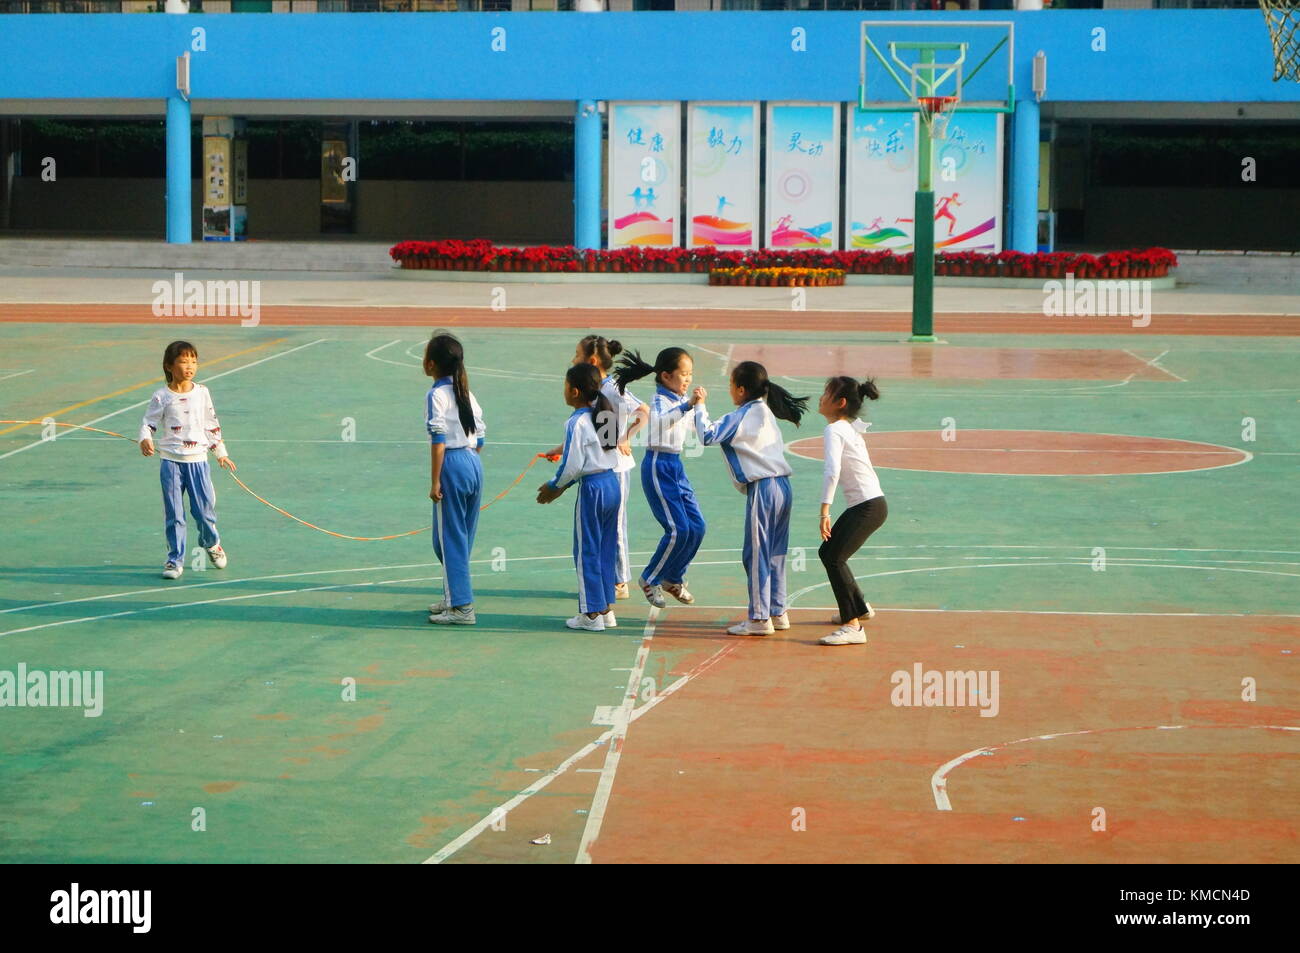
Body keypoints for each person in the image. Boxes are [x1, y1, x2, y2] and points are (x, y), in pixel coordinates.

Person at [696, 361, 807, 636]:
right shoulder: (766, 412)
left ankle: (758, 618)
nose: (730, 390)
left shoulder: (743, 414)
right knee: (776, 553)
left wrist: (699, 406)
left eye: (731, 385)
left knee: (756, 554)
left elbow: (708, 435)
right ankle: (777, 611)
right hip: (783, 487)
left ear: (741, 389)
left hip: (764, 489)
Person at [546, 335, 649, 601]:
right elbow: (592, 431)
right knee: (604, 530)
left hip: (614, 468)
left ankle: (619, 580)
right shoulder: (595, 393)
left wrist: (626, 438)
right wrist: (561, 449)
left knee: (613, 527)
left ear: (591, 361)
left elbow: (644, 411)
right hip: (602, 465)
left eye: (576, 354)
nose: (573, 359)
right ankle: (606, 586)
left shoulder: (612, 388)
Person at [612, 347, 706, 609]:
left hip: (676, 466)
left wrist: (703, 412)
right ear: (666, 376)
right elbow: (659, 424)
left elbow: (699, 430)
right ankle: (649, 578)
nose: (687, 379)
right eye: (683, 374)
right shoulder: (660, 400)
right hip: (658, 465)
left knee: (697, 527)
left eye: (690, 374)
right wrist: (688, 406)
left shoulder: (682, 399)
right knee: (677, 529)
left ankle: (673, 578)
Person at [138, 340, 235, 580]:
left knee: (203, 511)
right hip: (170, 462)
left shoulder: (202, 392)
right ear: (169, 366)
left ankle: (211, 543)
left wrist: (220, 453)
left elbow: (211, 425)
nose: (189, 366)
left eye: (193, 361)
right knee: (174, 514)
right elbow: (148, 423)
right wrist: (145, 438)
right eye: (183, 361)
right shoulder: (161, 396)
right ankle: (174, 560)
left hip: (198, 462)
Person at [537, 363, 622, 631]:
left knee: (586, 550)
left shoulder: (576, 422)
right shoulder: (606, 415)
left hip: (593, 489)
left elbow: (573, 465)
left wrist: (555, 487)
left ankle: (591, 614)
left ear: (574, 391)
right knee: (606, 548)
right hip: (612, 483)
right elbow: (604, 454)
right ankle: (606, 607)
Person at [817, 376, 887, 646]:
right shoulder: (849, 428)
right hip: (873, 504)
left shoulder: (835, 430)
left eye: (826, 394)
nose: (821, 398)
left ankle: (853, 626)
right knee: (830, 553)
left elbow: (832, 471)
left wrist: (825, 511)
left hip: (867, 506)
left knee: (833, 557)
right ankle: (860, 608)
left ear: (840, 403)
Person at [424, 333, 485, 626]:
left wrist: (435, 481)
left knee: (449, 540)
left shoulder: (436, 395)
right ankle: (452, 596)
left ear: (431, 363)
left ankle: (462, 607)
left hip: (452, 464)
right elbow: (481, 437)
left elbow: (438, 441)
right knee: (456, 538)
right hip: (473, 462)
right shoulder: (467, 393)